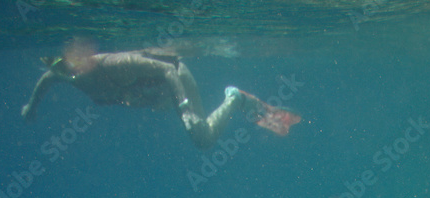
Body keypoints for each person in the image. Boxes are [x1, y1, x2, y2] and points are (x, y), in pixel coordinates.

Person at [21, 46, 300, 149]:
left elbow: (167, 69)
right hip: (155, 96)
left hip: (175, 79)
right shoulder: (62, 73)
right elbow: (46, 80)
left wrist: (186, 106)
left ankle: (234, 97)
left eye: (65, 61)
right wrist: (31, 106)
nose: (61, 68)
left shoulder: (113, 64)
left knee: (202, 138)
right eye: (53, 62)